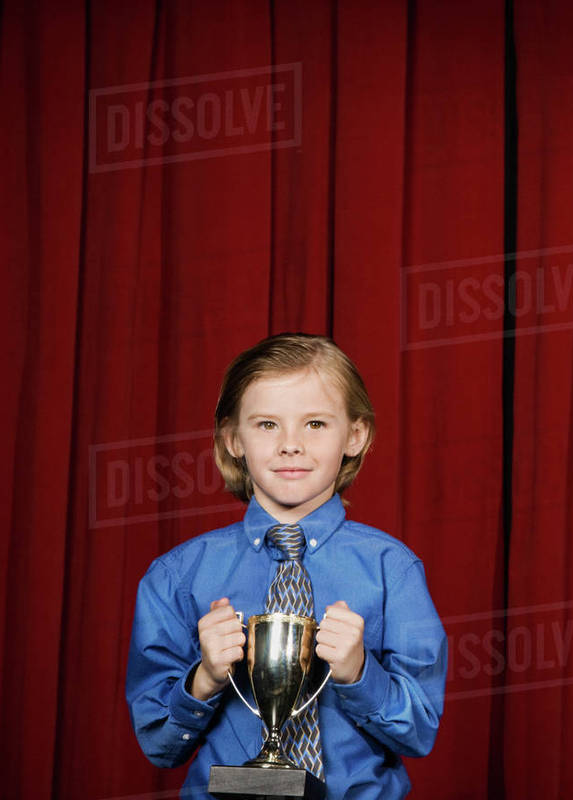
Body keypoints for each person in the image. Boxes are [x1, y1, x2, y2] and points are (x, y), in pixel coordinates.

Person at [126, 332, 447, 800]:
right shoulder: (176, 576)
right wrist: (205, 678)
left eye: (315, 424)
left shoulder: (392, 569)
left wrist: (360, 673)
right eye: (267, 425)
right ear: (233, 438)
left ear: (355, 436)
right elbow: (158, 745)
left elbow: (419, 732)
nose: (291, 445)